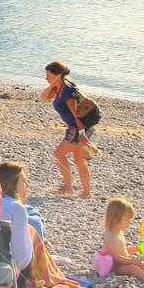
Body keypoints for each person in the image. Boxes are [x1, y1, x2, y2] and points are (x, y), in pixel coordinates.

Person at [0, 161, 82, 288]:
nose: (27, 186)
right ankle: (44, 274)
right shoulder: (15, 208)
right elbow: (22, 259)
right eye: (23, 181)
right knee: (31, 230)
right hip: (9, 277)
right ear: (12, 183)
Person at [42, 60, 90, 198]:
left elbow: (76, 115)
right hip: (77, 128)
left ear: (57, 75)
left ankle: (68, 187)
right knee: (79, 159)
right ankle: (86, 192)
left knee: (59, 154)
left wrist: (82, 134)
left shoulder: (67, 91)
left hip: (78, 128)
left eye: (48, 75)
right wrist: (53, 83)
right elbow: (44, 97)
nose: (46, 78)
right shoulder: (59, 88)